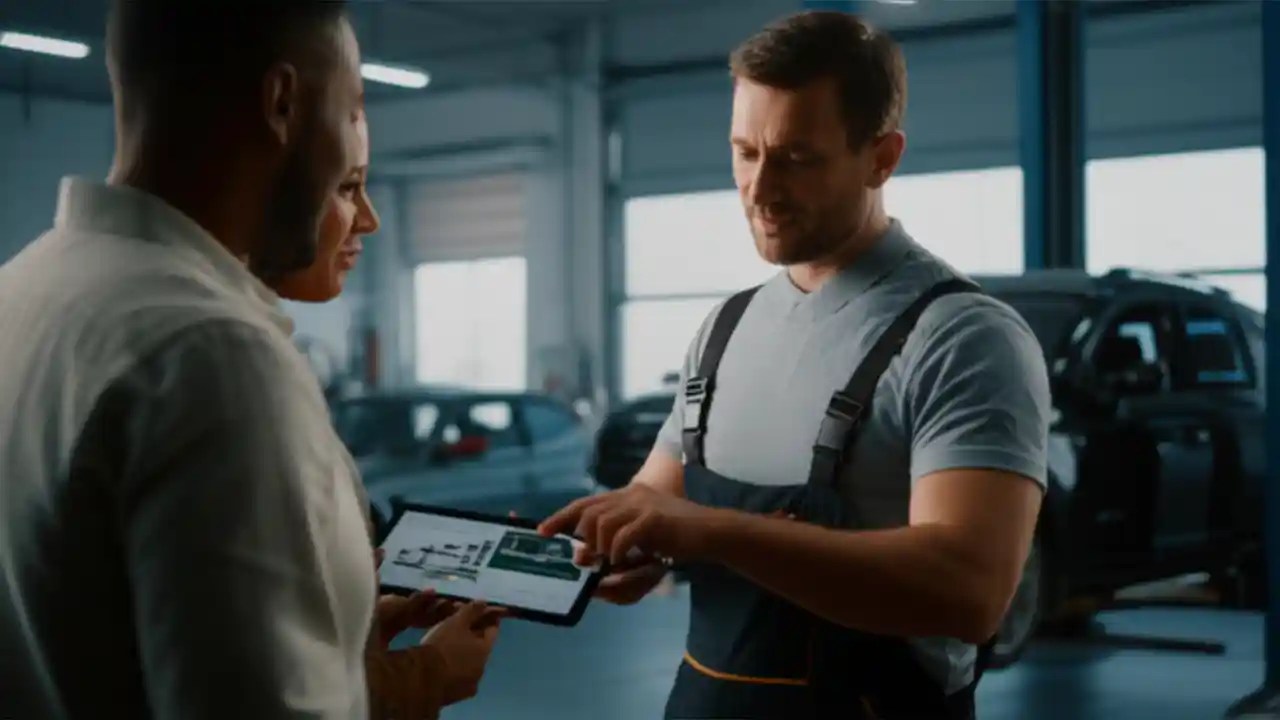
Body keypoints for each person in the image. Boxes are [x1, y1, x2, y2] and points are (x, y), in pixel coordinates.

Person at [540, 11, 1050, 720]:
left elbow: (970, 592)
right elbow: (655, 504)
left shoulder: (963, 339)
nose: (759, 187)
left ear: (882, 157)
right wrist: (624, 550)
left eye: (796, 158)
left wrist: (706, 533)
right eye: (745, 152)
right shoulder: (725, 328)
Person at [0, 1, 443, 718]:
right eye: (353, 105)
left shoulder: (21, 290)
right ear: (282, 102)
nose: (358, 153)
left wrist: (335, 647)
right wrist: (421, 682)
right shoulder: (214, 354)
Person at [272, 107, 502, 719]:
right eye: (348, 186)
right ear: (280, 100)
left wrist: (358, 623)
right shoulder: (225, 361)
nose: (369, 220)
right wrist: (431, 673)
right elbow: (251, 696)